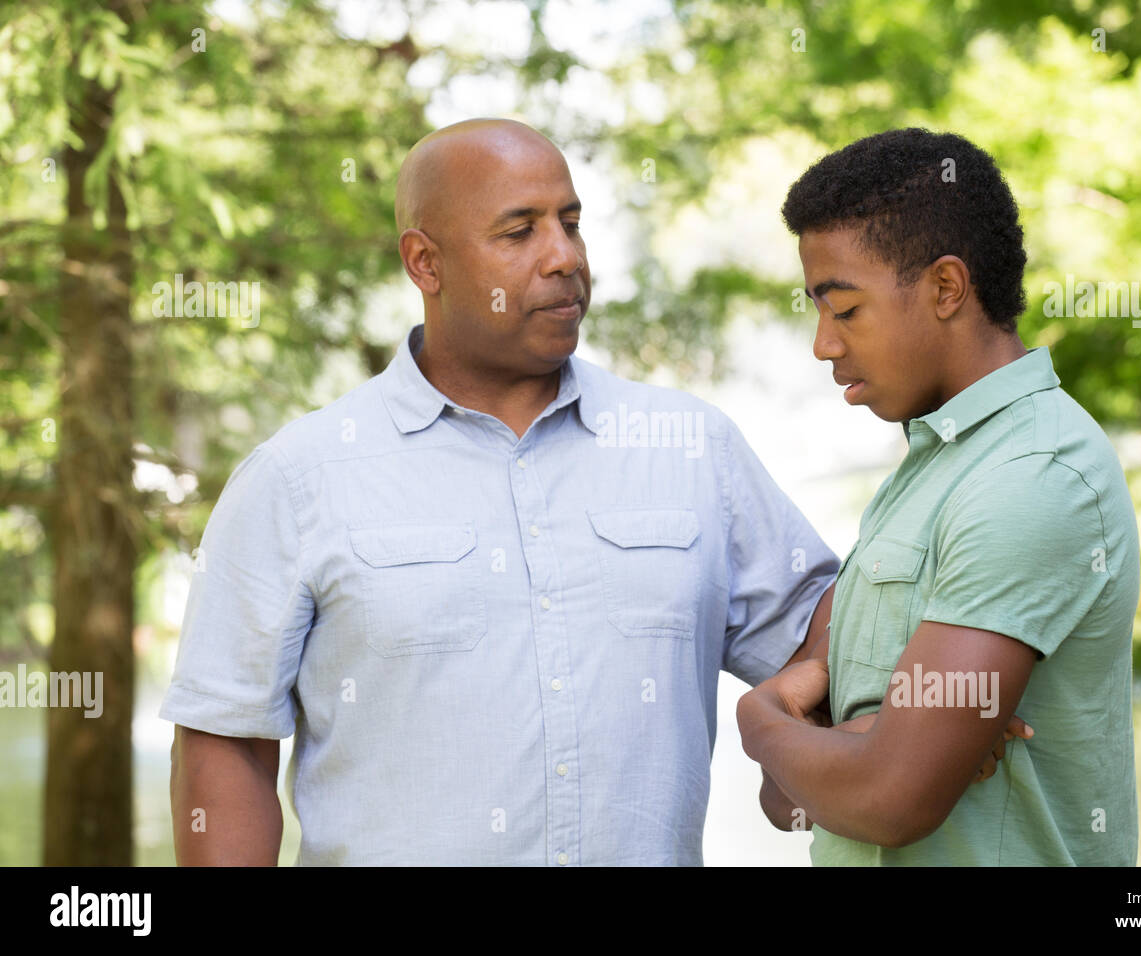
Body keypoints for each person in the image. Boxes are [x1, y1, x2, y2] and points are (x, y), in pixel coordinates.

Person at [160, 118, 847, 866]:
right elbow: (224, 741)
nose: (564, 257)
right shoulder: (299, 477)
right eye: (519, 232)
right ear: (425, 263)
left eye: (572, 223)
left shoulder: (691, 449)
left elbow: (833, 622)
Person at [738, 128, 1140, 866]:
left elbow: (890, 799)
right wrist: (846, 748)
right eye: (816, 310)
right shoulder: (922, 479)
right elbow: (787, 801)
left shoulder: (1034, 474)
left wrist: (760, 717)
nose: (822, 344)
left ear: (946, 288)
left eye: (846, 309)